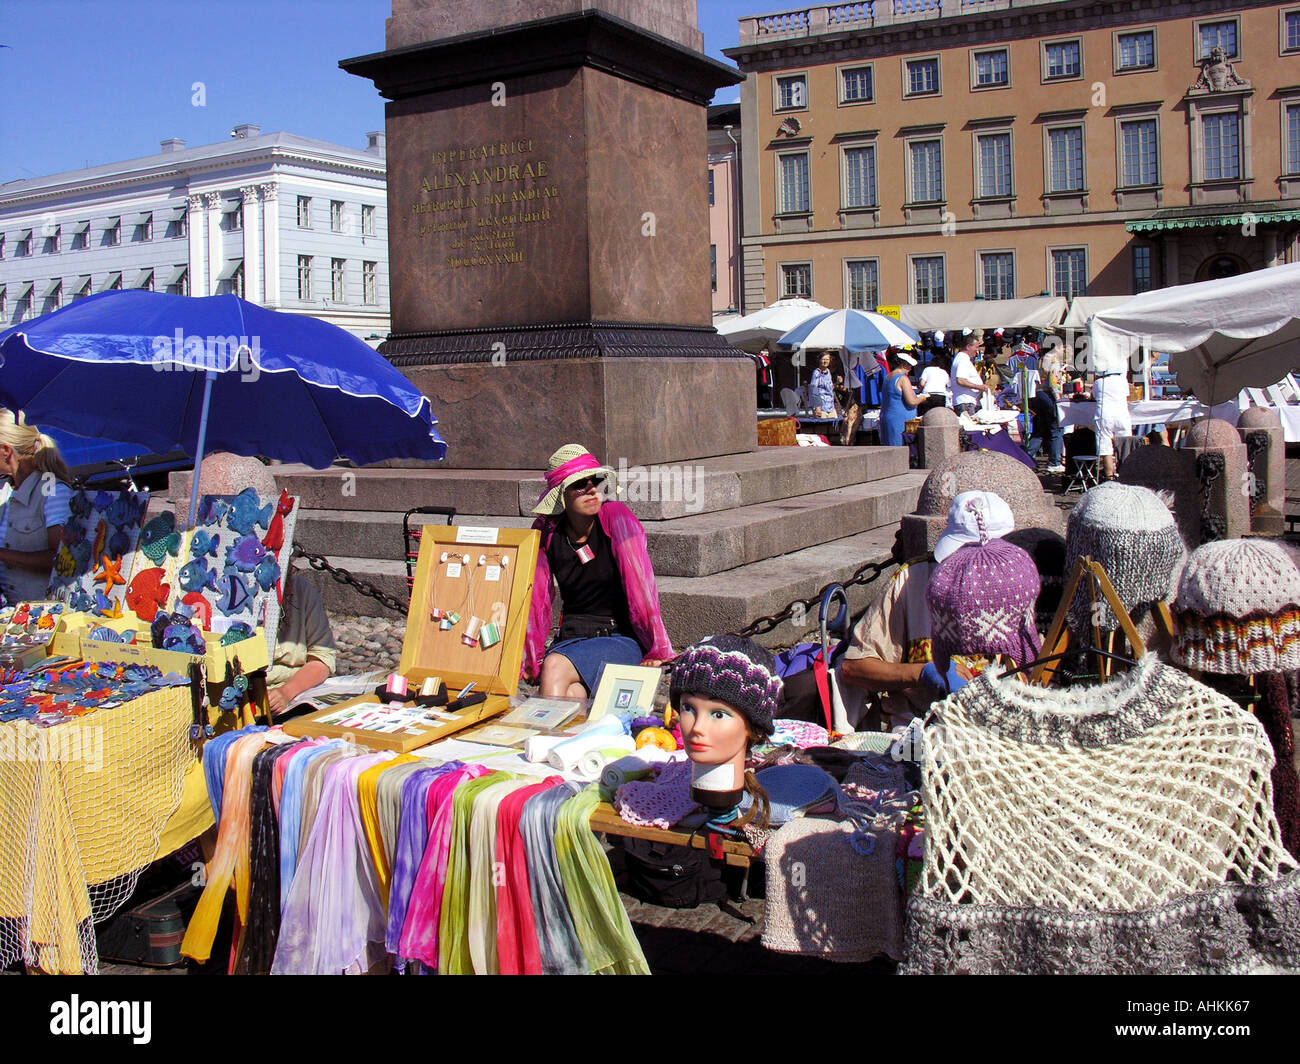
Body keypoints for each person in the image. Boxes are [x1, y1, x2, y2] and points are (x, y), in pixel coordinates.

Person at [840, 491, 1015, 727]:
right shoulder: (913, 579)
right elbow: (854, 668)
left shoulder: (1022, 585)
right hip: (919, 724)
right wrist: (922, 673)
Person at [186, 452, 336, 716]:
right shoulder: (218, 591)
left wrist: (286, 692)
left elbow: (323, 658)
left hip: (292, 695)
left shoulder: (302, 592)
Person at [525, 444, 673, 698]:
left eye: (595, 480)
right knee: (571, 694)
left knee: (554, 668)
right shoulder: (546, 531)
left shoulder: (615, 516)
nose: (592, 489)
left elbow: (641, 587)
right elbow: (536, 599)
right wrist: (531, 657)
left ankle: (544, 725)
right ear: (561, 494)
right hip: (570, 639)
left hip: (618, 637)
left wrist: (657, 648)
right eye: (579, 484)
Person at [0, 409, 74, 604]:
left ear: (6, 451)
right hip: (10, 611)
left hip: (43, 614)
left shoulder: (53, 491)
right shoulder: (5, 490)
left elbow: (60, 558)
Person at [1093, 367, 1132, 480]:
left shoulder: (1099, 382)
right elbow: (1127, 396)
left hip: (1104, 415)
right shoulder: (1123, 381)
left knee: (1106, 449)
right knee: (1124, 447)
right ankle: (1125, 476)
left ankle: (1109, 477)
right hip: (1122, 415)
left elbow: (1094, 397)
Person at [879, 347, 923, 447]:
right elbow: (912, 401)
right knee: (903, 448)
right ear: (904, 365)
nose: (910, 369)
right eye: (910, 366)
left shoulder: (888, 377)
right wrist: (922, 398)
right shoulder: (903, 378)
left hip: (888, 416)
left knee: (890, 447)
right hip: (901, 419)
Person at [949, 331, 992, 417]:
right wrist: (979, 387)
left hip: (968, 402)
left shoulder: (963, 359)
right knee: (969, 425)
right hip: (965, 402)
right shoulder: (962, 359)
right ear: (968, 346)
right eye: (976, 347)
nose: (977, 350)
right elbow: (960, 380)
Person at [807, 352, 840, 418]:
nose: (825, 361)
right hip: (821, 407)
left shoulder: (828, 372)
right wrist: (817, 407)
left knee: (835, 423)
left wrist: (837, 383)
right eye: (823, 359)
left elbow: (829, 388)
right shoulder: (817, 373)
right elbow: (813, 390)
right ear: (819, 360)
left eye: (827, 359)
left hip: (830, 406)